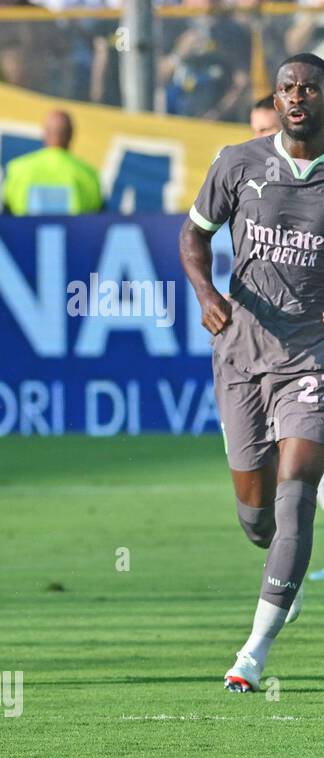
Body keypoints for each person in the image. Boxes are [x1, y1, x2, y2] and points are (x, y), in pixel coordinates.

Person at [180, 54, 324, 692]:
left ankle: (253, 654)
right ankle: (282, 573)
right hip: (240, 356)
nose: (298, 97)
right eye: (289, 87)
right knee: (257, 518)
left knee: (299, 488)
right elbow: (193, 236)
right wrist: (207, 295)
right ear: (277, 96)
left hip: (311, 358)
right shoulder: (237, 162)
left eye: (310, 88)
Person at [1, 110, 103, 215]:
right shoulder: (89, 174)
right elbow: (96, 219)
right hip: (74, 230)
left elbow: (6, 214)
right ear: (71, 134)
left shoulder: (16, 169)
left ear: (45, 133)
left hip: (23, 230)